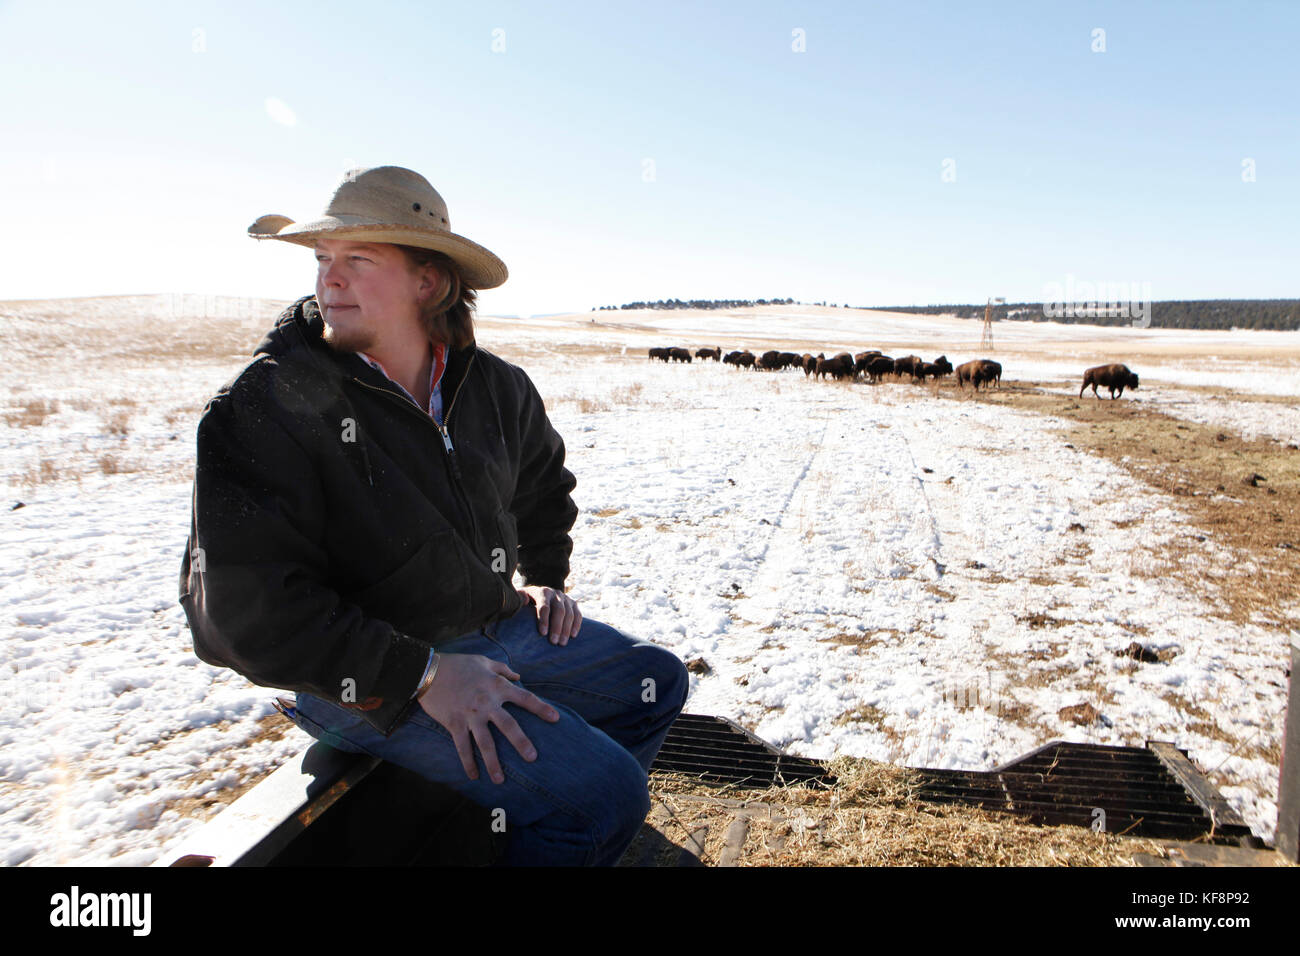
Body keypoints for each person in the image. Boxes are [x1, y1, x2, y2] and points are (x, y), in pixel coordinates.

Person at [178, 165, 688, 865]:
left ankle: (529, 822)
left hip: (493, 625)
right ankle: (568, 813)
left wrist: (543, 577)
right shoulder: (265, 408)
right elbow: (238, 616)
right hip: (360, 678)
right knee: (606, 799)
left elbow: (543, 487)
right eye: (324, 260)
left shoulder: (495, 387)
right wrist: (420, 674)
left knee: (654, 684)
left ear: (430, 282)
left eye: (358, 260)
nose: (329, 280)